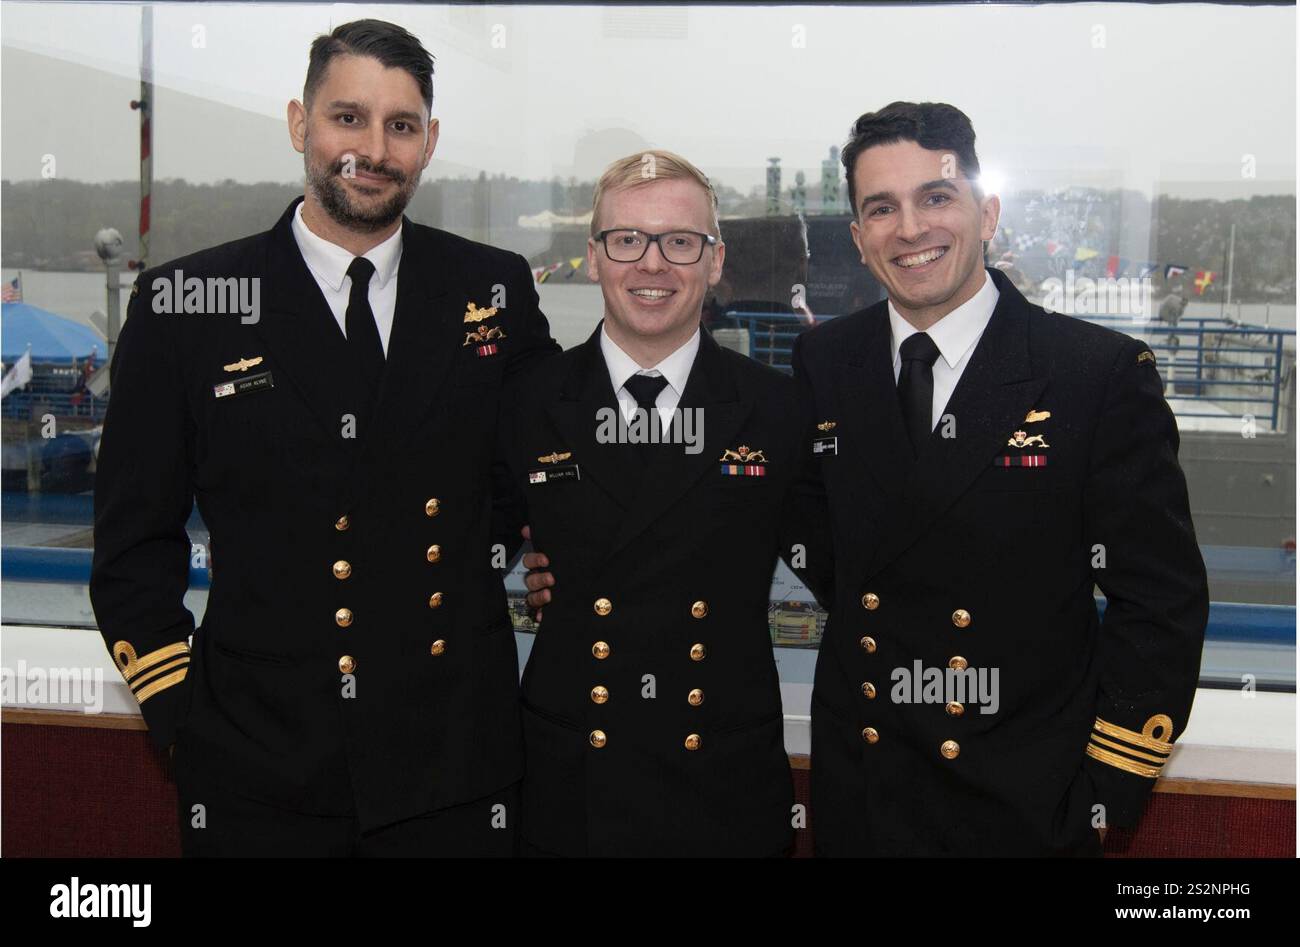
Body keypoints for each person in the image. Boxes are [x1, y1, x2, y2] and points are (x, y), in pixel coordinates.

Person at [90, 18, 558, 856]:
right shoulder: (184, 307)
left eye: (401, 126)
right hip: (258, 771)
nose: (372, 149)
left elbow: (551, 458)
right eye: (348, 118)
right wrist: (180, 716)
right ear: (300, 123)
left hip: (455, 769)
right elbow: (132, 549)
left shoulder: (491, 290)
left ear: (429, 142)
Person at [792, 101, 1208, 856]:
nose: (911, 229)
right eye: (881, 208)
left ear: (987, 212)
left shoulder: (1094, 374)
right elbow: (820, 540)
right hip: (865, 795)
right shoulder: (825, 362)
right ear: (858, 239)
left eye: (936, 197)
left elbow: (1163, 598)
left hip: (1021, 802)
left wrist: (1101, 788)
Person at [500, 151, 831, 856]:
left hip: (720, 785)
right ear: (594, 258)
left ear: (715, 262)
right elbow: (455, 554)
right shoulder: (526, 403)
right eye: (627, 240)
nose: (652, 265)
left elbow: (855, 568)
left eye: (681, 242)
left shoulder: (777, 410)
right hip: (570, 782)